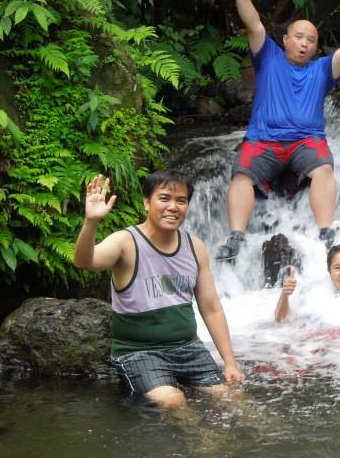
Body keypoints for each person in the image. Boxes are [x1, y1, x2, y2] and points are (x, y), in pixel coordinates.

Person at [216, 0, 340, 260]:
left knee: (324, 170)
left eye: (310, 39)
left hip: (306, 143)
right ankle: (236, 237)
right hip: (263, 141)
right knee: (242, 175)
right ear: (285, 40)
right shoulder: (267, 56)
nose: (304, 43)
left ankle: (325, 231)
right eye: (299, 37)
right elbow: (254, 25)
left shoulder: (321, 69)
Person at [73, 171, 245, 408]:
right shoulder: (125, 242)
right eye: (164, 198)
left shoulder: (195, 246)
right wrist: (91, 222)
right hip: (140, 352)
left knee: (232, 398)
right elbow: (85, 262)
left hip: (188, 348)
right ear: (146, 202)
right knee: (172, 401)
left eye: (181, 201)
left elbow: (211, 308)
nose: (173, 207)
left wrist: (230, 362)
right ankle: (205, 443)